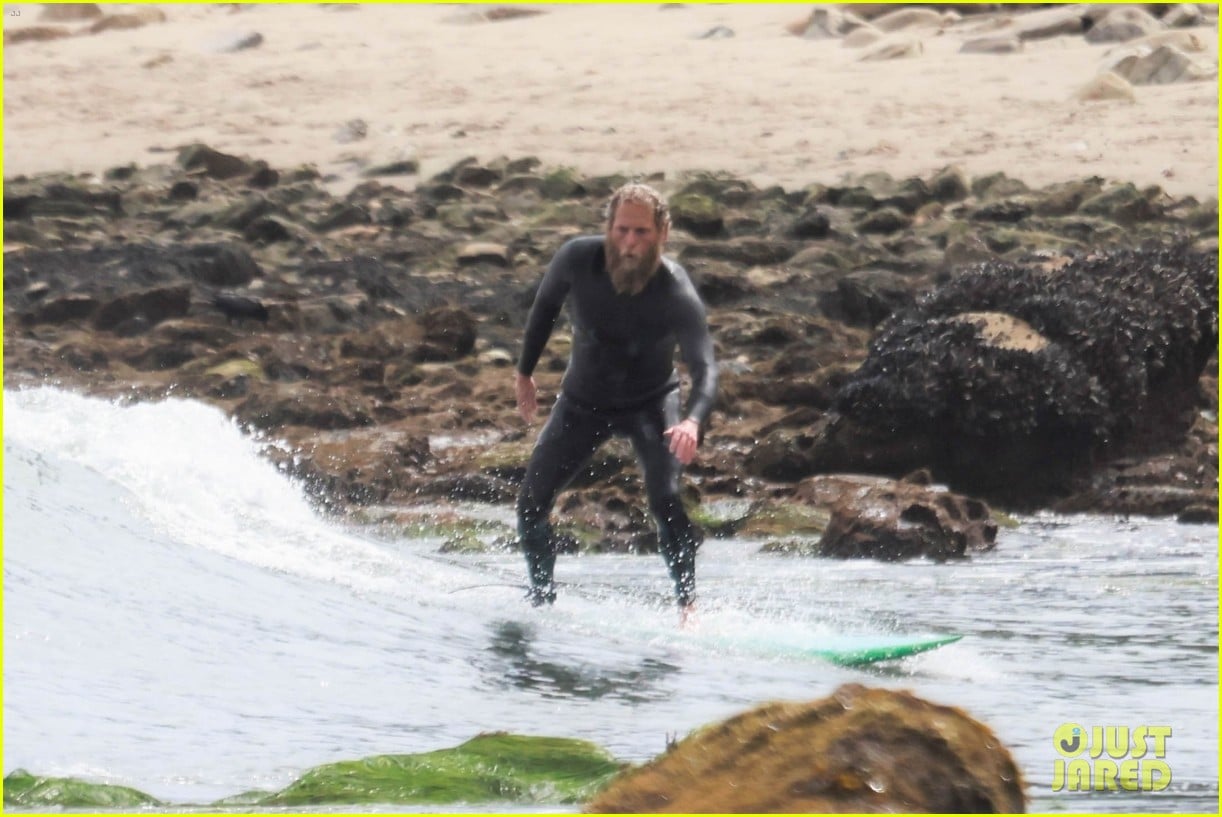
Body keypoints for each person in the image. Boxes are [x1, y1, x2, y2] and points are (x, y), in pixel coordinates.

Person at [513, 182, 718, 622]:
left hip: (651, 403)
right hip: (582, 403)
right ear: (608, 228)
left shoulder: (675, 290)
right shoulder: (576, 260)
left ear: (663, 233)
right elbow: (544, 308)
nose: (630, 243)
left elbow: (705, 368)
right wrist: (525, 373)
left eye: (642, 233)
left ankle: (688, 607)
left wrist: (693, 422)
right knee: (531, 505)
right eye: (622, 230)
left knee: (665, 499)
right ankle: (542, 602)